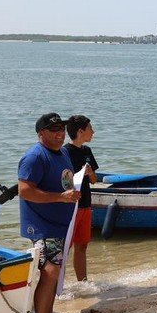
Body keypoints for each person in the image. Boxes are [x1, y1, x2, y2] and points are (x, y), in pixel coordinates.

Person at [17, 113, 80, 313]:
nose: (60, 134)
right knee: (50, 271)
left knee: (55, 271)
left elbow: (63, 182)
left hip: (62, 224)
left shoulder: (62, 152)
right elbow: (25, 191)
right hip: (41, 225)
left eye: (61, 129)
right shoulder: (34, 157)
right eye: (53, 130)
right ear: (40, 133)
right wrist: (59, 197)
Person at [64, 116, 98, 283]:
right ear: (80, 132)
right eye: (90, 128)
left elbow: (93, 180)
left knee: (82, 245)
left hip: (86, 204)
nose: (93, 132)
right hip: (71, 207)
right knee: (65, 248)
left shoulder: (86, 151)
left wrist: (90, 172)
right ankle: (58, 286)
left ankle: (82, 282)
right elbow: (62, 182)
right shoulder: (65, 152)